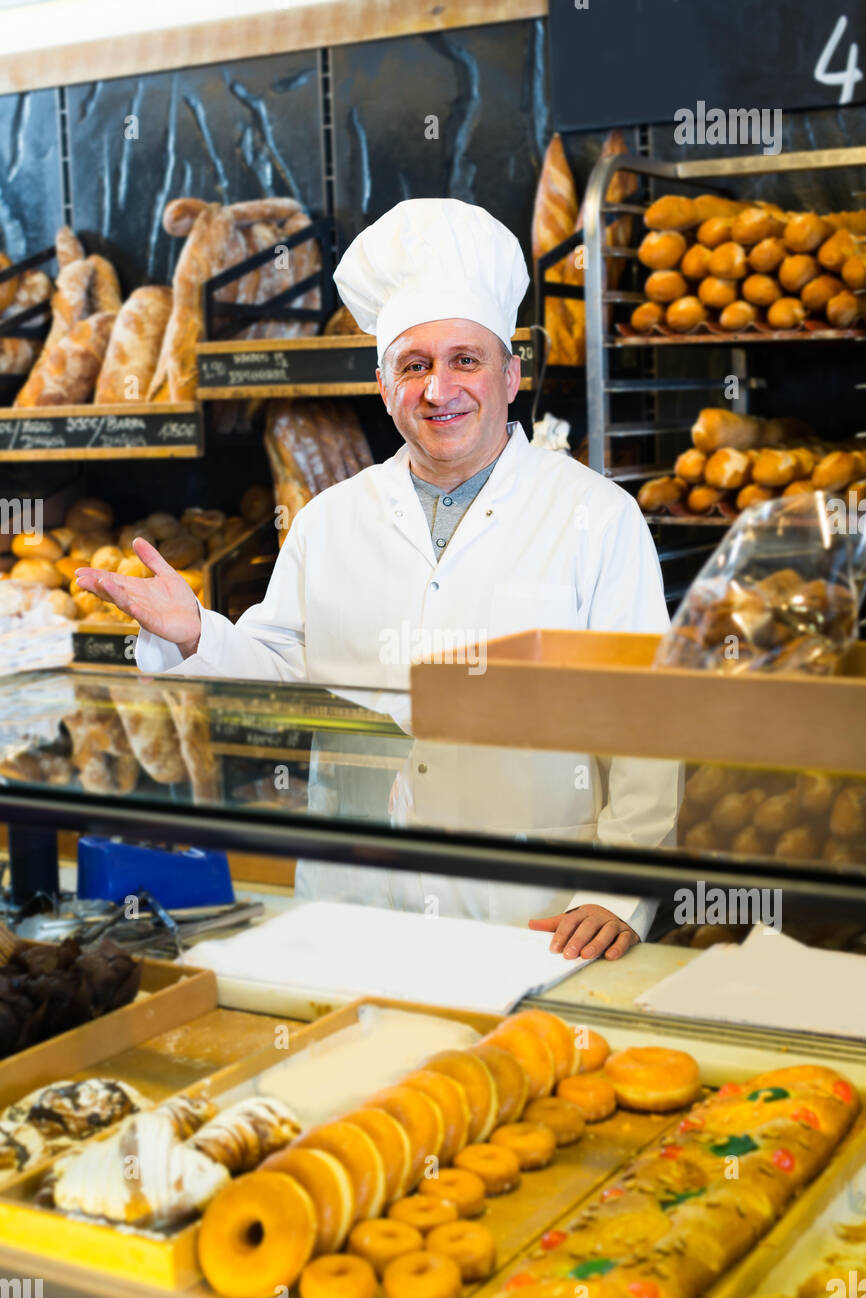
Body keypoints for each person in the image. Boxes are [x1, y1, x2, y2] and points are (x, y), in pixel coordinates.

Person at [75, 198, 677, 963]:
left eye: (466, 360)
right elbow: (280, 673)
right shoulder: (329, 521)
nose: (440, 389)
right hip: (359, 893)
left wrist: (619, 891)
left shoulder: (596, 516)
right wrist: (196, 632)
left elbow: (648, 716)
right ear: (384, 385)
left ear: (512, 374)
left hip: (539, 906)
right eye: (415, 365)